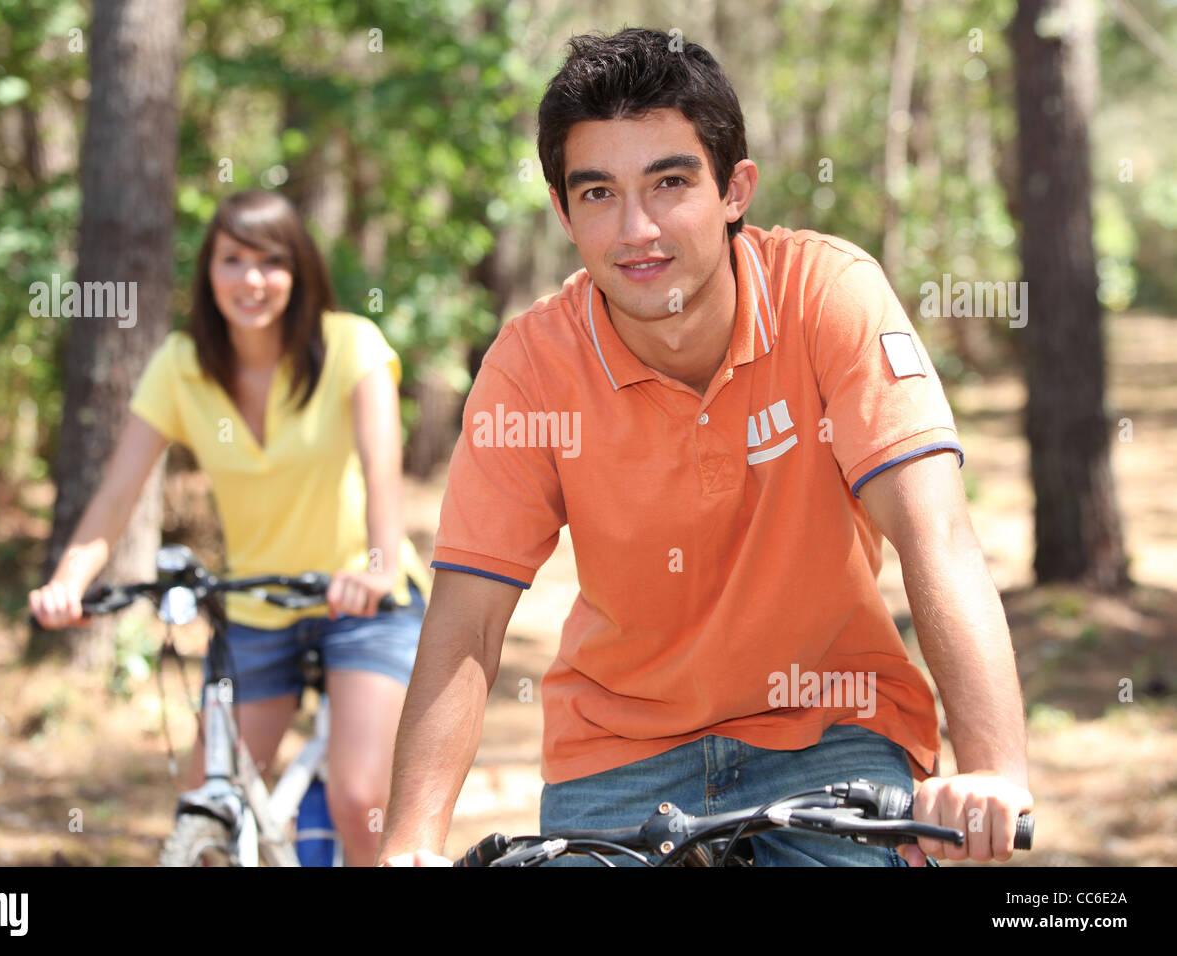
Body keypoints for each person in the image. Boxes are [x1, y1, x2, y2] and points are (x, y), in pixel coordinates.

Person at [378, 28, 1031, 867]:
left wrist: (994, 770)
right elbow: (467, 616)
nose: (637, 229)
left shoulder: (826, 295)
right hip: (616, 756)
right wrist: (407, 842)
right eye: (598, 193)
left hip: (832, 733)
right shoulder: (531, 366)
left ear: (735, 189)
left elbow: (935, 537)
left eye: (670, 182)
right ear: (561, 210)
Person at [29, 189, 431, 867]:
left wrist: (378, 563)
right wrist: (68, 582)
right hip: (254, 607)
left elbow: (381, 467)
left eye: (270, 262)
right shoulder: (183, 367)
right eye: (233, 260)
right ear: (208, 272)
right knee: (205, 797)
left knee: (361, 799)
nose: (251, 280)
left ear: (298, 270)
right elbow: (116, 494)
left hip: (362, 603)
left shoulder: (349, 346)